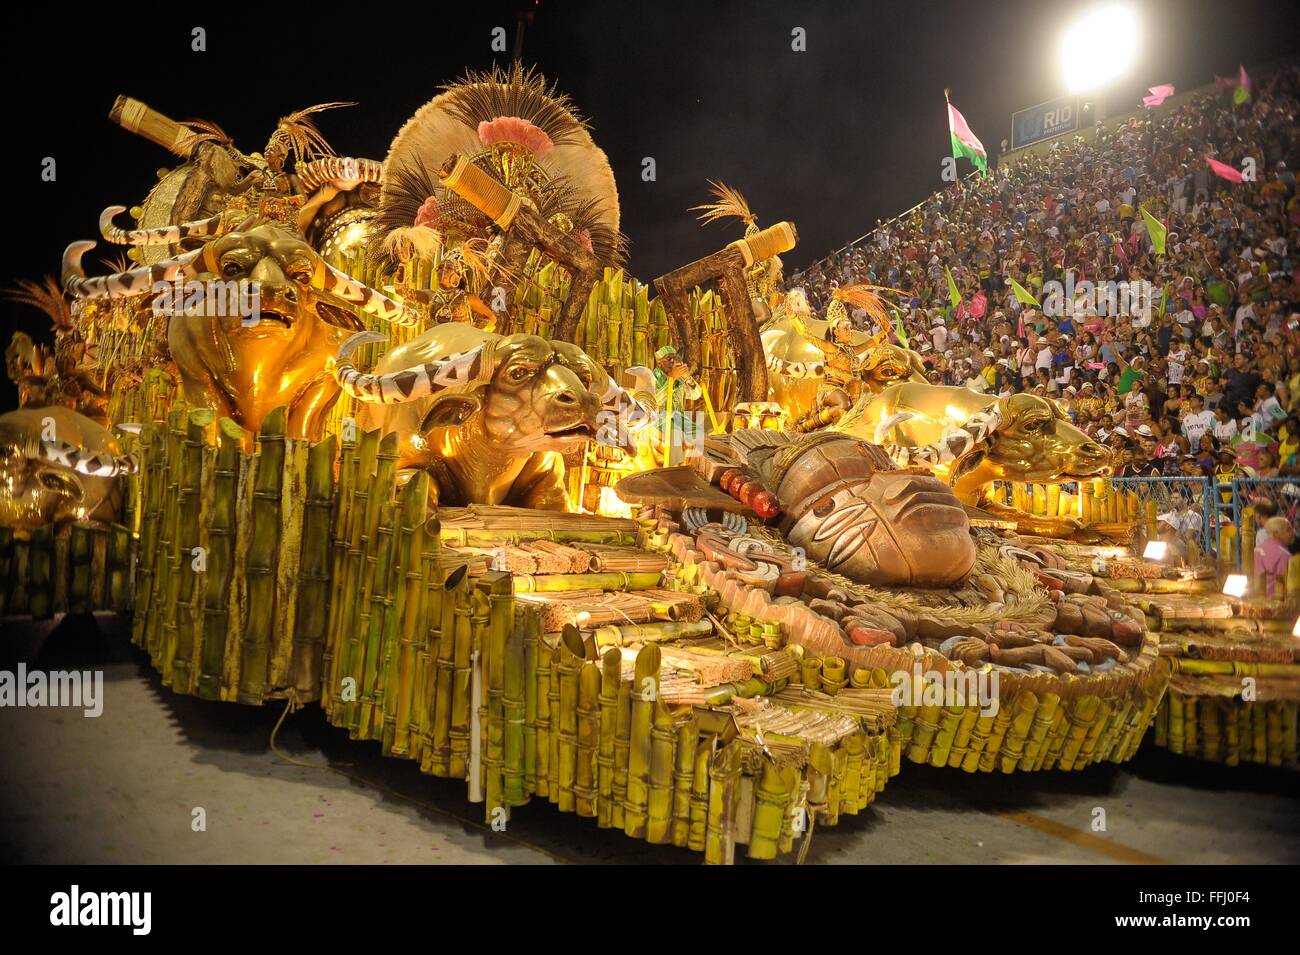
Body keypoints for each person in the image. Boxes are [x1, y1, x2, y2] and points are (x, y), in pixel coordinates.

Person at [1253, 516, 1295, 598]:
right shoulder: (1284, 555)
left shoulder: (1257, 549)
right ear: (1276, 534)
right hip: (1276, 603)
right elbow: (1285, 585)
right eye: (1288, 530)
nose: (1292, 532)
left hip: (1256, 599)